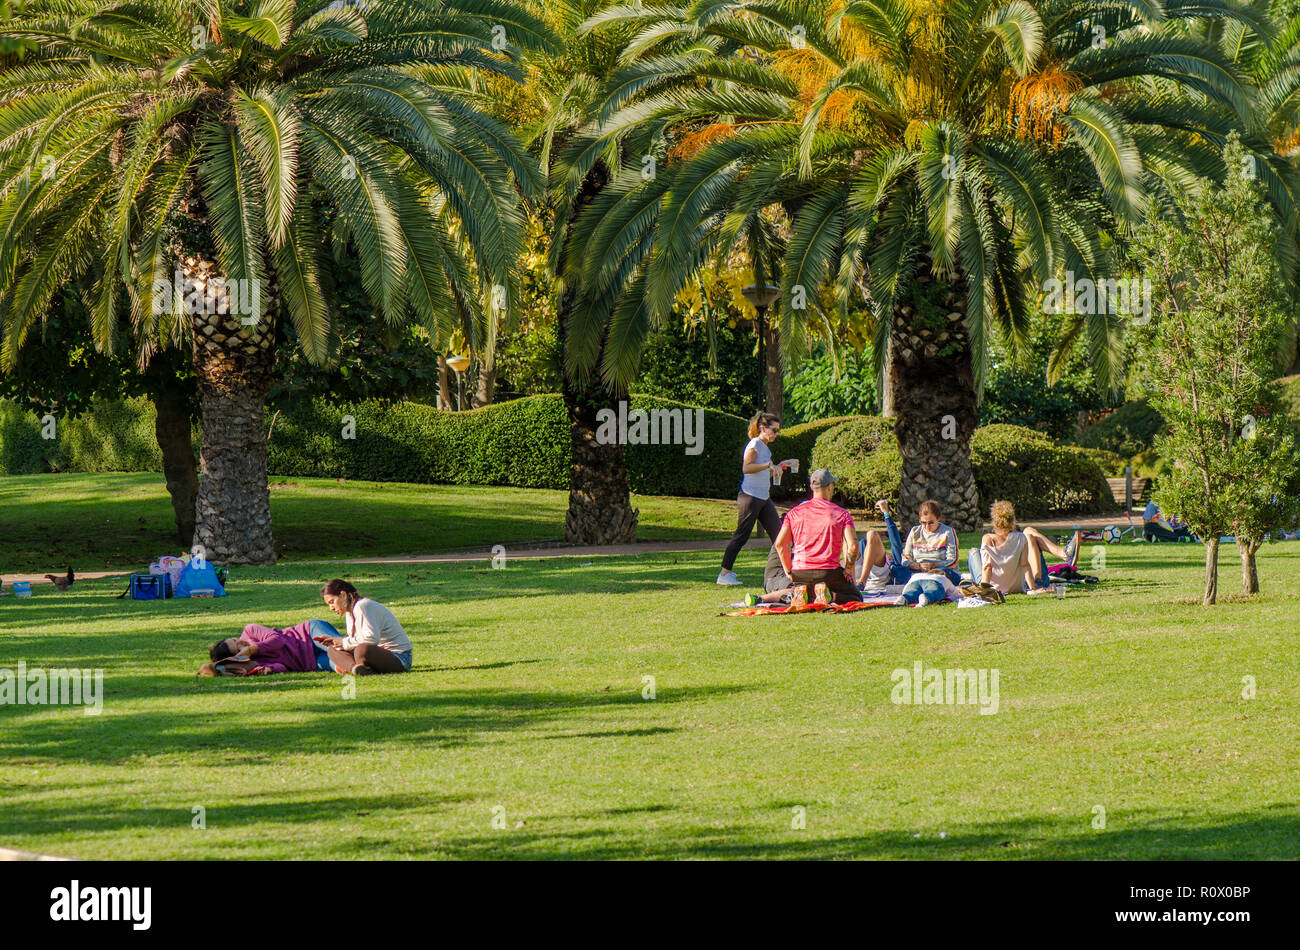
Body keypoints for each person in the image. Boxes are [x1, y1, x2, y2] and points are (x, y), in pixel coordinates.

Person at [717, 412, 795, 586]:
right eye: (774, 431)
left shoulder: (765, 448)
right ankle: (724, 574)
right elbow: (747, 468)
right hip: (750, 497)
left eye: (777, 431)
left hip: (763, 498)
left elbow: (762, 474)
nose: (776, 434)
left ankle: (785, 572)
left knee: (780, 535)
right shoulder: (755, 444)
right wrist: (768, 465)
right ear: (763, 428)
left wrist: (780, 466)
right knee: (741, 536)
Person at [773, 468, 862, 605]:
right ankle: (830, 596)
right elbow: (853, 546)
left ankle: (804, 594)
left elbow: (780, 544)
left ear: (811, 487)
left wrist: (788, 570)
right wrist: (848, 569)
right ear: (830, 487)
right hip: (828, 572)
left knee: (810, 592)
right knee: (855, 597)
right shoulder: (842, 514)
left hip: (800, 572)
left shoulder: (793, 513)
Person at [970, 501, 1079, 595]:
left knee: (973, 552)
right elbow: (1025, 565)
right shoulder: (1021, 538)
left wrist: (985, 589)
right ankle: (1064, 554)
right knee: (1028, 531)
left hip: (995, 586)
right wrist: (1033, 589)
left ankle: (1064, 554)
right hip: (1021, 586)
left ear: (994, 523)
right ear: (1013, 522)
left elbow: (987, 568)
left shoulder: (988, 538)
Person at [317, 579, 414, 675]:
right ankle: (356, 669)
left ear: (343, 595)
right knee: (332, 649)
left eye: (332, 602)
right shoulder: (349, 612)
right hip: (376, 655)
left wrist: (343, 642)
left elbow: (371, 639)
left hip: (399, 657)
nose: (331, 608)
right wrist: (337, 643)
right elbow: (356, 639)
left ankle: (356, 668)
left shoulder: (363, 606)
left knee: (362, 650)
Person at [198, 620, 340, 676]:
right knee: (339, 665)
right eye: (238, 647)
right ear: (236, 656)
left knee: (339, 647)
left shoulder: (250, 630)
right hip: (310, 661)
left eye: (236, 640)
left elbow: (278, 640)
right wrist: (269, 670)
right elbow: (282, 667)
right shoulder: (251, 662)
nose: (242, 643)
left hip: (308, 634)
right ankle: (357, 664)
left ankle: (358, 647)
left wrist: (253, 648)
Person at [899, 500, 962, 585]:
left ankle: (925, 583)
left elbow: (953, 560)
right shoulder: (915, 531)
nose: (927, 526)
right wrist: (916, 565)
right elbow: (905, 557)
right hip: (919, 570)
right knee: (898, 570)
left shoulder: (948, 532)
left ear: (938, 518)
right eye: (923, 523)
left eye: (931, 523)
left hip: (941, 570)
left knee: (941, 573)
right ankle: (922, 581)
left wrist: (934, 565)